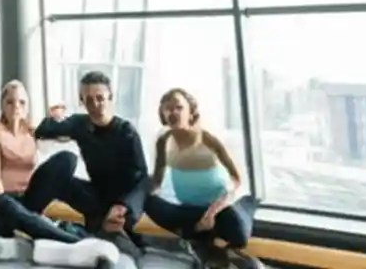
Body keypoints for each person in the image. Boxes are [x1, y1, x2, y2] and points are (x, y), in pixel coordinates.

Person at [34, 71, 150, 259]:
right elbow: (43, 130)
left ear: (110, 98)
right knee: (63, 165)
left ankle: (114, 237)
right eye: (89, 100)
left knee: (119, 246)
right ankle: (32, 217)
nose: (95, 105)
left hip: (122, 203)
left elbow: (143, 178)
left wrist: (123, 206)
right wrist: (55, 117)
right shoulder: (80, 123)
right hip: (96, 195)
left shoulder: (126, 132)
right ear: (82, 101)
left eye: (100, 98)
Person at [145, 88, 261, 268]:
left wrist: (213, 211)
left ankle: (207, 236)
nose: (173, 112)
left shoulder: (208, 138)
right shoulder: (163, 140)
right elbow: (157, 180)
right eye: (168, 109)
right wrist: (143, 194)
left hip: (217, 209)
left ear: (190, 111)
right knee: (148, 201)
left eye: (179, 107)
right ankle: (201, 237)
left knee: (238, 232)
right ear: (162, 113)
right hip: (189, 209)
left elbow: (237, 179)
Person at [0, 80, 85, 244]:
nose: (16, 107)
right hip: (2, 201)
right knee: (7, 204)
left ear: (27, 106)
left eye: (22, 102)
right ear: (2, 105)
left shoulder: (32, 131)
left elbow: (66, 138)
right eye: (10, 102)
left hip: (28, 200)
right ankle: (72, 242)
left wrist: (58, 119)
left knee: (67, 159)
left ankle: (41, 222)